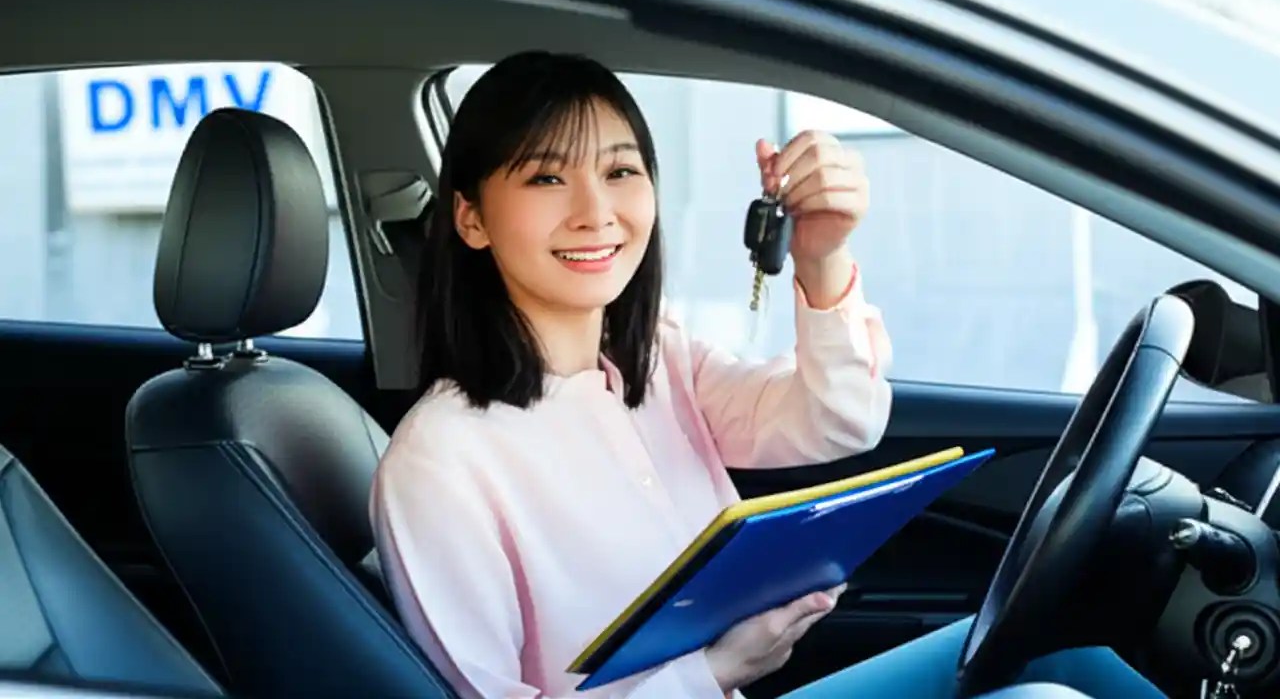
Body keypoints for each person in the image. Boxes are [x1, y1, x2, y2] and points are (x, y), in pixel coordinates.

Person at [369, 51, 1166, 699]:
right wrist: (714, 670)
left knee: (1055, 655)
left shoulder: (658, 360)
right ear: (470, 217)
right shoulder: (441, 460)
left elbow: (836, 420)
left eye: (620, 172)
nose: (595, 212)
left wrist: (820, 258)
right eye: (547, 178)